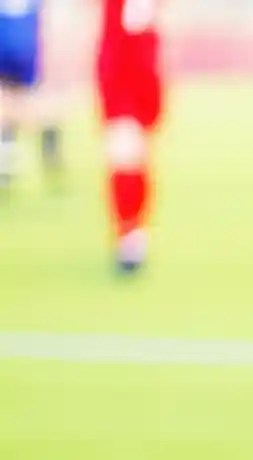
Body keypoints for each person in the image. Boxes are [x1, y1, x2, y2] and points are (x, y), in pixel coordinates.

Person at [97, 0, 163, 273]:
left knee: (138, 157)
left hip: (146, 72)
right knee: (123, 151)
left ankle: (135, 230)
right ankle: (128, 234)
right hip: (118, 70)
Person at [0, 0, 60, 191]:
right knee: (18, 100)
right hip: (23, 42)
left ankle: (9, 158)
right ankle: (48, 143)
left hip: (16, 41)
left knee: (12, 101)